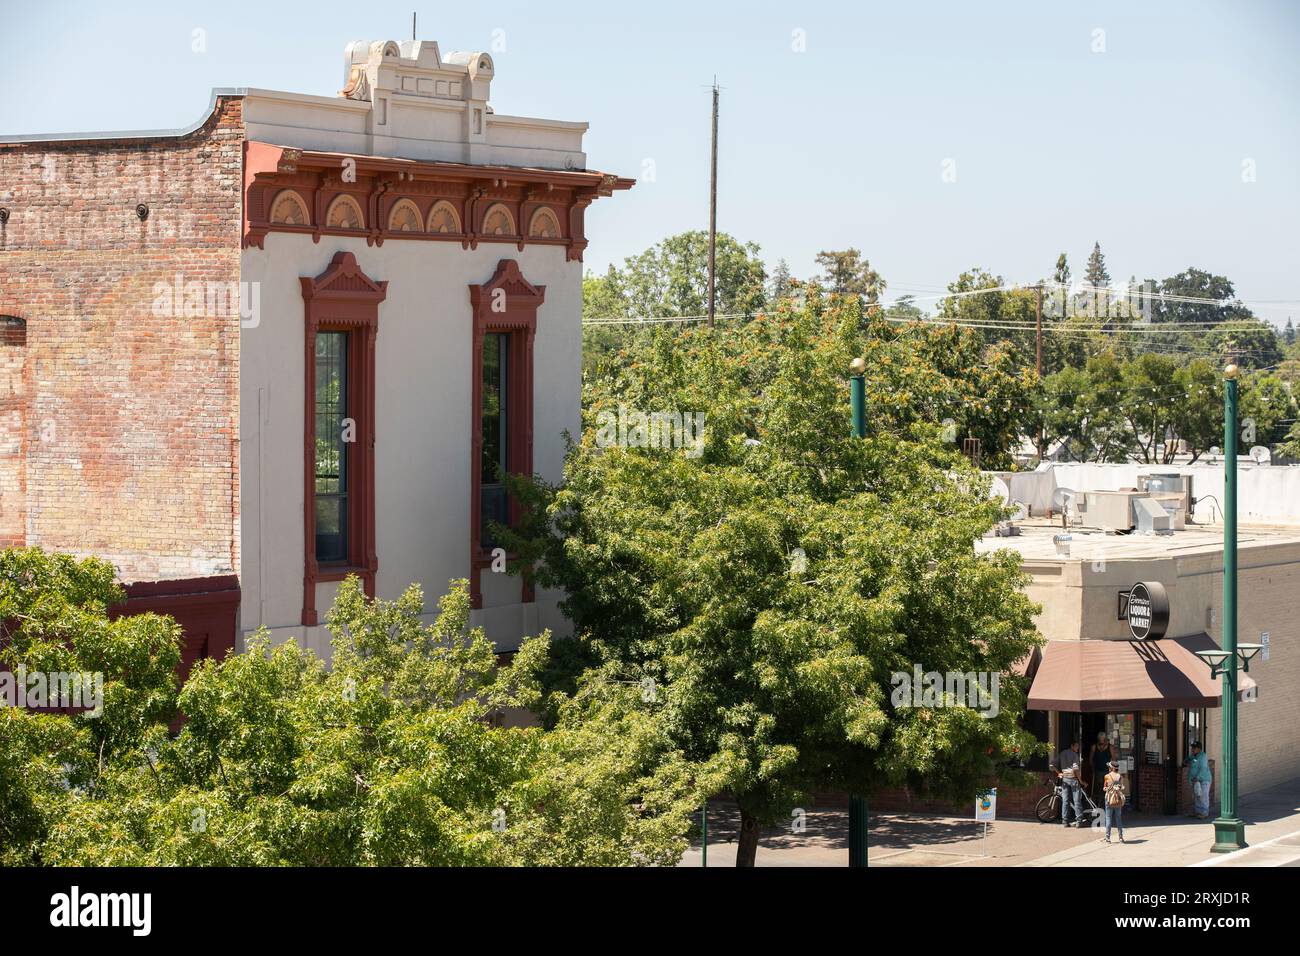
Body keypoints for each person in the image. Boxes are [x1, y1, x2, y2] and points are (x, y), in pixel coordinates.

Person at [1056, 740, 1084, 827]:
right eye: (1076, 746)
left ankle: (1065, 821)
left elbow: (1052, 765)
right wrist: (1080, 780)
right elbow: (1075, 769)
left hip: (1064, 779)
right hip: (1073, 779)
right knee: (1077, 800)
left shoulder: (1062, 753)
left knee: (1065, 801)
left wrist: (1059, 773)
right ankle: (1079, 821)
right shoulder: (1075, 755)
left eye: (1078, 747)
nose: (1077, 748)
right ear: (1072, 746)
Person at [1102, 760, 1127, 843]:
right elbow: (1122, 787)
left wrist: (1109, 788)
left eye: (1109, 766)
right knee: (1118, 818)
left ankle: (1108, 837)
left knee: (1108, 818)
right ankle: (1120, 837)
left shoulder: (1107, 776)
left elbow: (1104, 788)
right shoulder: (1120, 776)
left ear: (1112, 768)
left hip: (1109, 799)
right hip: (1118, 799)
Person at [1188, 741, 1212, 819]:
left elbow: (1203, 768)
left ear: (1199, 749)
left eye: (1194, 748)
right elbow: (1189, 759)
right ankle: (1198, 812)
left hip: (1204, 779)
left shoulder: (1203, 756)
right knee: (1197, 796)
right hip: (1196, 780)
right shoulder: (1194, 756)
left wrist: (1197, 777)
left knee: (1203, 796)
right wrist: (1186, 760)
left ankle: (1205, 813)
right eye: (1192, 747)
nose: (1192, 749)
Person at [1088, 731, 1113, 805]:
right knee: (1098, 788)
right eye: (1100, 739)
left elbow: (1113, 759)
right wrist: (1092, 769)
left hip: (1107, 771)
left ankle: (1106, 803)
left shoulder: (1110, 747)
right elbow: (1090, 759)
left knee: (1106, 787)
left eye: (1102, 739)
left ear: (1105, 739)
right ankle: (1098, 803)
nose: (1101, 740)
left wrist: (1112, 770)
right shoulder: (1094, 747)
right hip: (1097, 771)